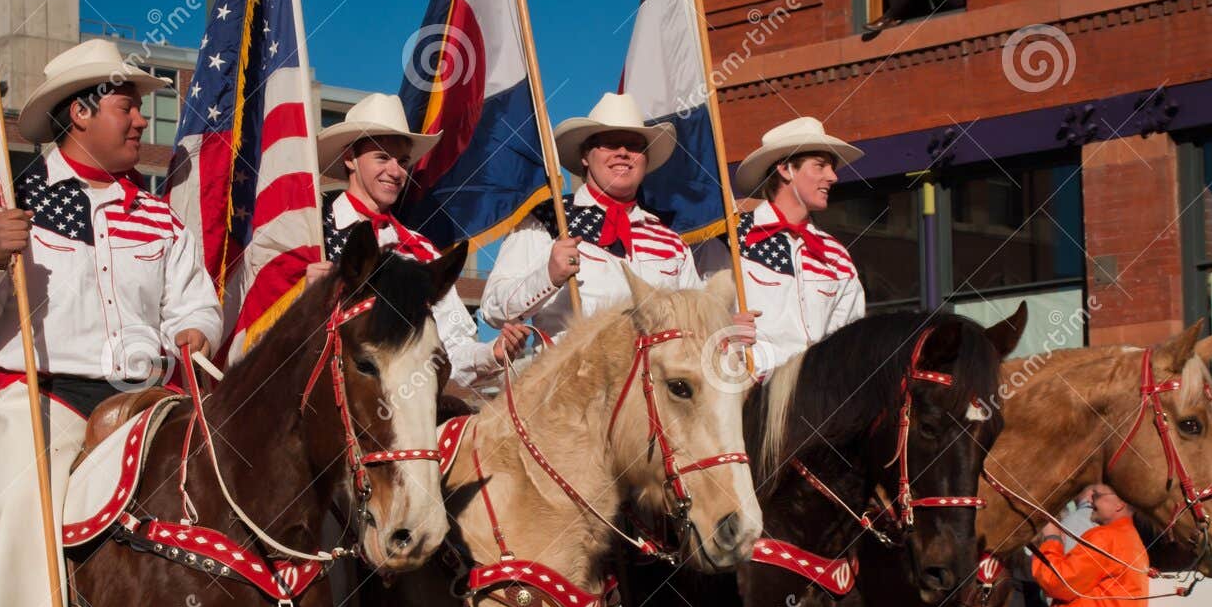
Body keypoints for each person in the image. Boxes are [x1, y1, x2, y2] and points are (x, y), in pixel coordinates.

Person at [0, 40, 225, 607]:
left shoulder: (161, 218)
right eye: (129, 106)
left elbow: (197, 306)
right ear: (80, 111)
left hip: (146, 403)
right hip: (43, 397)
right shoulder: (12, 204)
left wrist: (194, 333)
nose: (140, 123)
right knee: (23, 504)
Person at [308, 93, 525, 395]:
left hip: (402, 420)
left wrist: (492, 354)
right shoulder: (310, 229)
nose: (396, 172)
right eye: (382, 157)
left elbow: (451, 350)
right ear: (350, 158)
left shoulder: (420, 250)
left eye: (403, 161)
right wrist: (304, 300)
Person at [481, 92, 700, 342]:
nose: (622, 152)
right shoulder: (548, 220)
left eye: (634, 146)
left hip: (651, 379)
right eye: (609, 143)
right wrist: (548, 276)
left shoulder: (672, 242)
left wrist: (726, 329)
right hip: (569, 378)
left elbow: (694, 325)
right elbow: (493, 309)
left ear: (645, 159)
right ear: (585, 156)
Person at [697, 116, 866, 379]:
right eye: (820, 166)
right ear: (786, 169)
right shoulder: (729, 240)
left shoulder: (837, 256)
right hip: (748, 399)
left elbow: (850, 343)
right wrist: (720, 329)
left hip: (818, 402)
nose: (832, 176)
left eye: (832, 168)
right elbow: (694, 320)